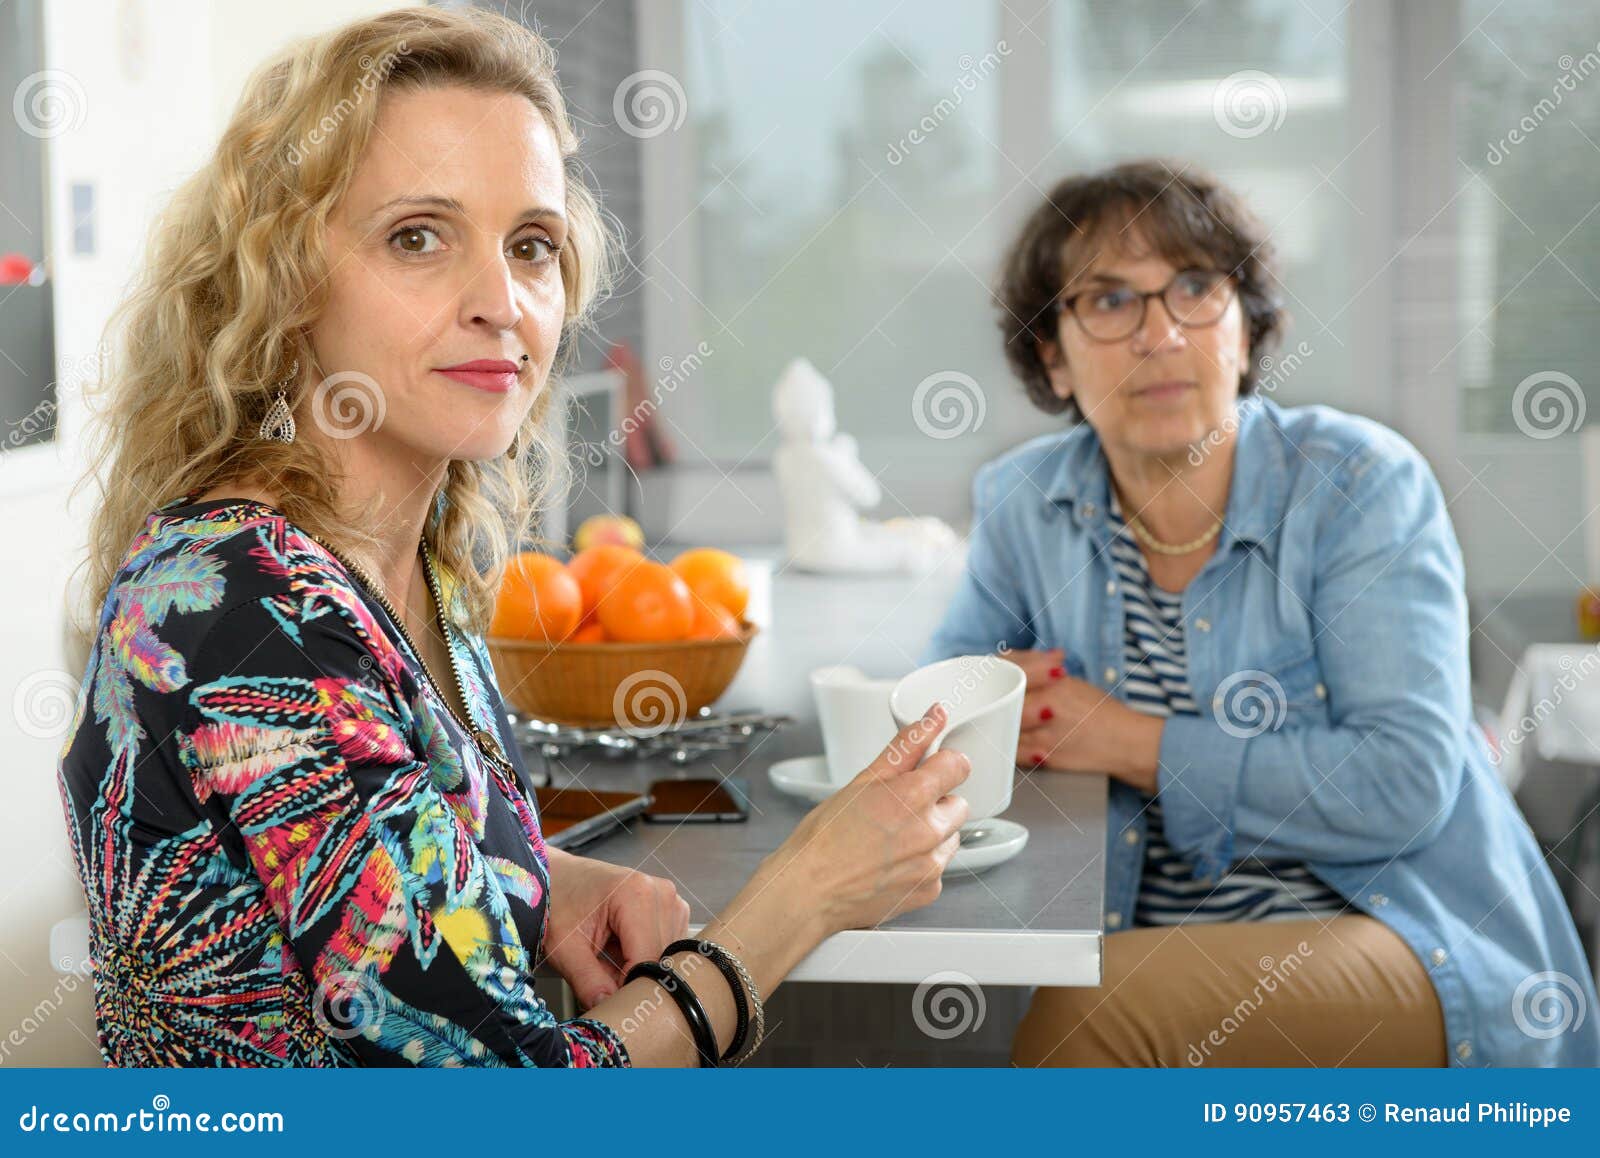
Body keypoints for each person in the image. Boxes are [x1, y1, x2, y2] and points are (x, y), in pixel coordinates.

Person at [57, 6, 971, 1068]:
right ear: (284, 281)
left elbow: (390, 865)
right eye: (417, 237)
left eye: (530, 245)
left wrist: (543, 890)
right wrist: (801, 899)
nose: (502, 302)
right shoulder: (239, 604)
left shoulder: (412, 575)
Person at [921, 158, 1600, 1067]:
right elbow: (952, 714)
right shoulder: (1024, 500)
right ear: (1052, 352)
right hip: (1147, 933)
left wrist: (1123, 737)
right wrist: (993, 711)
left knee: (1092, 1020)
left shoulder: (1360, 484)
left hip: (1400, 930)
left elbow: (1402, 787)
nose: (1162, 334)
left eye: (1195, 288)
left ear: (1243, 329)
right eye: (1110, 301)